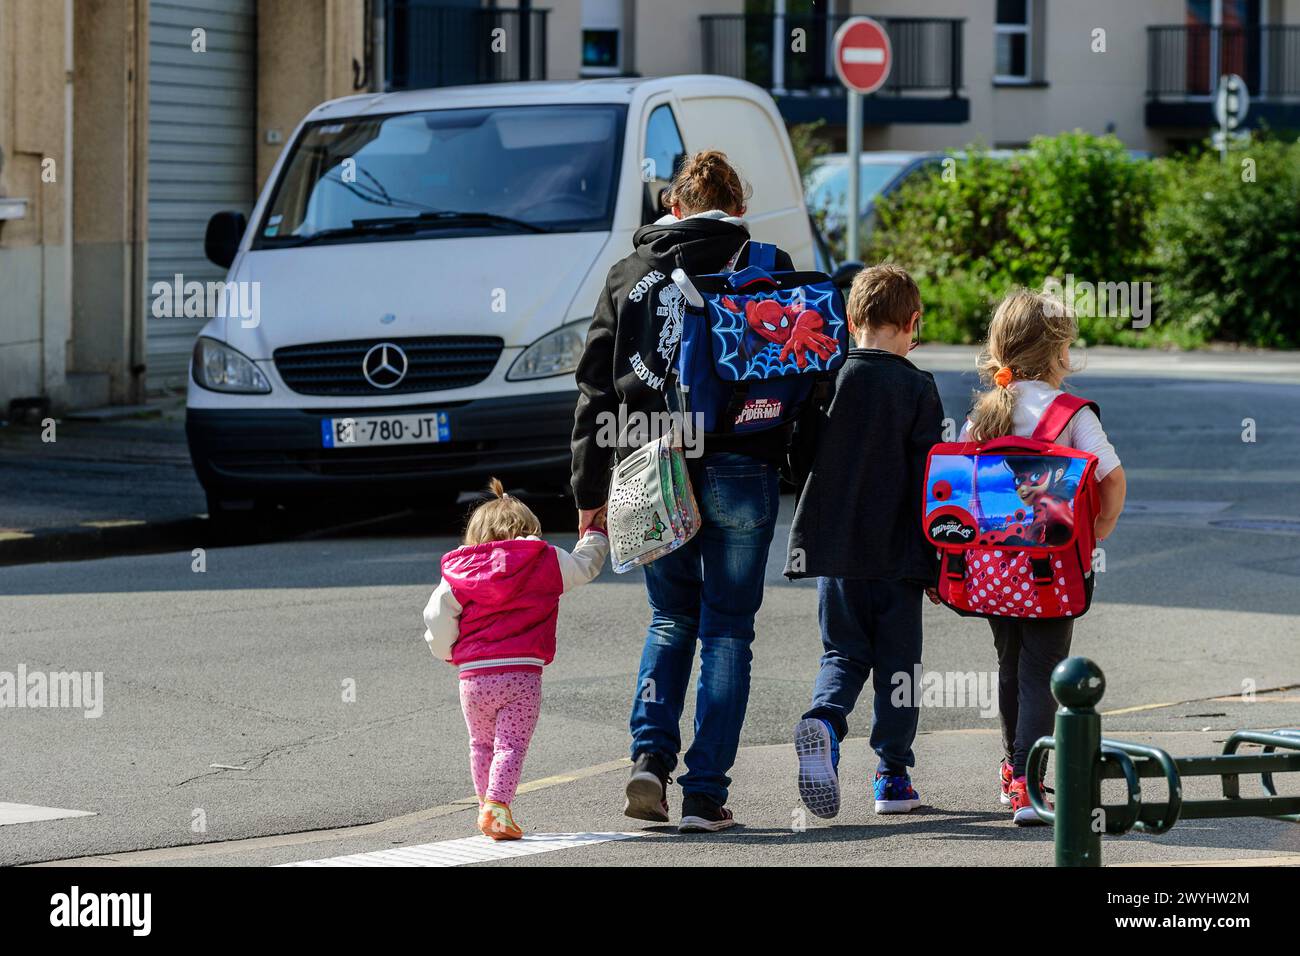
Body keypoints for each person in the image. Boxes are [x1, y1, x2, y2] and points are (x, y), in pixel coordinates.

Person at [570, 150, 795, 832]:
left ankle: (648, 757)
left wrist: (588, 493)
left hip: (648, 460)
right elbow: (805, 367)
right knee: (729, 631)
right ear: (738, 207)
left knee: (671, 619)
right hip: (742, 462)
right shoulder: (769, 264)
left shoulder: (628, 273)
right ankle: (704, 794)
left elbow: (595, 388)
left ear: (673, 207)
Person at [959, 289, 1126, 824]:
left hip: (994, 569)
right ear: (1058, 356)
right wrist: (1101, 525)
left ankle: (1013, 774)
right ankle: (1030, 788)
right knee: (1042, 671)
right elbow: (1111, 476)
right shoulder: (1070, 414)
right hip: (1052, 570)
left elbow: (962, 484)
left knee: (1010, 666)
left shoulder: (985, 412)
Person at [785, 264, 944, 819]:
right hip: (899, 557)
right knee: (900, 669)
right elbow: (933, 481)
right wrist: (937, 561)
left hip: (836, 555)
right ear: (913, 322)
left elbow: (799, 459)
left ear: (851, 319)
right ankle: (891, 777)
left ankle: (824, 724)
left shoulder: (827, 379)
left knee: (842, 652)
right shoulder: (918, 388)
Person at [423, 478, 608, 840]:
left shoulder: (460, 573)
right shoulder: (545, 560)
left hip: (473, 678)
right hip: (521, 675)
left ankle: (486, 808)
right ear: (530, 528)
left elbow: (436, 617)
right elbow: (586, 565)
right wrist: (596, 533)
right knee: (511, 745)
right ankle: (498, 806)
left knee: (481, 744)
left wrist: (447, 652)